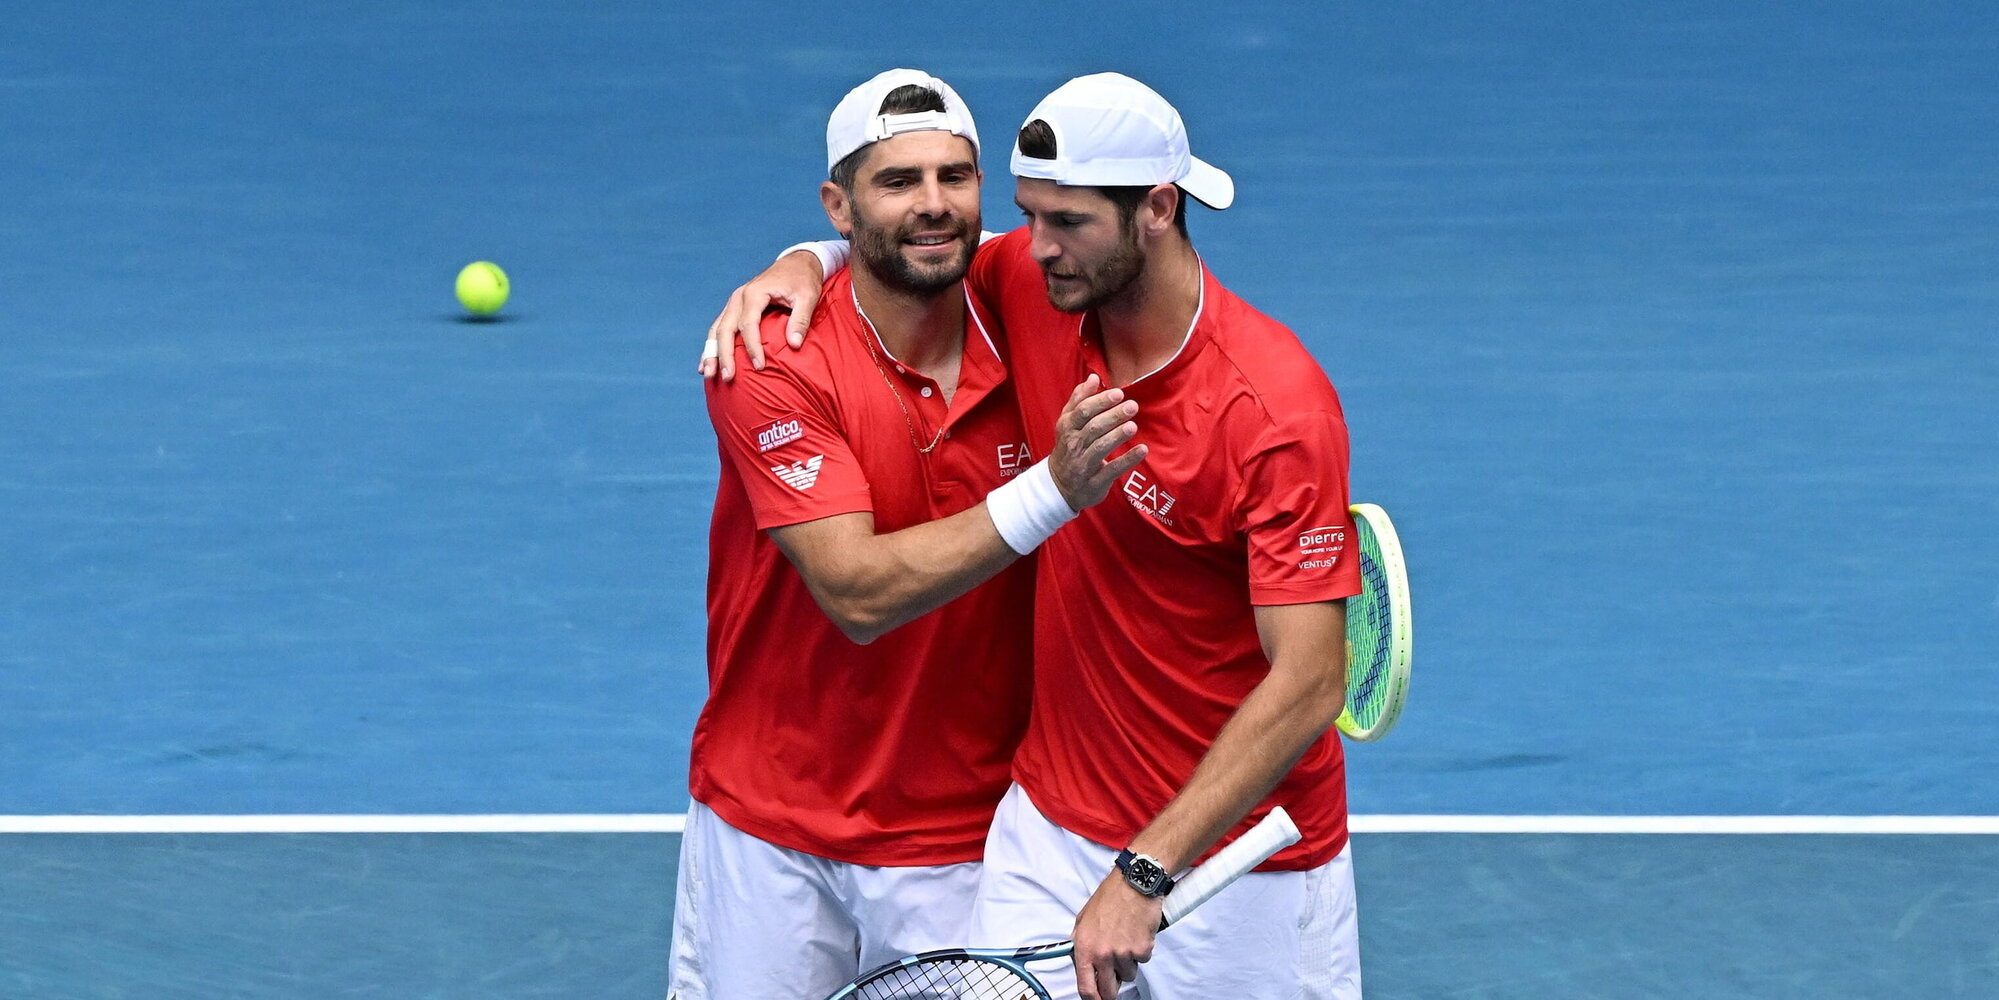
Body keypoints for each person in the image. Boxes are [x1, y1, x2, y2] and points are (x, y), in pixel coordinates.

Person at [705, 72, 1366, 1000]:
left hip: (1234, 858)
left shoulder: (1274, 410)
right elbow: (908, 250)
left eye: (1066, 223)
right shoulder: (1040, 290)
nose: (1031, 246)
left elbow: (1309, 682)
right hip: (1046, 828)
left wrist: (1147, 870)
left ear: (1157, 210)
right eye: (1028, 215)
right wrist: (804, 260)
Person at [680, 69, 1147, 1000]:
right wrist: (1052, 491)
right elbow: (857, 593)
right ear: (838, 204)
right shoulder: (768, 356)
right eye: (897, 182)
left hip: (966, 840)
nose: (933, 206)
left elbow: (1132, 253)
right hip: (767, 824)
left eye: (954, 177)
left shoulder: (1026, 297)